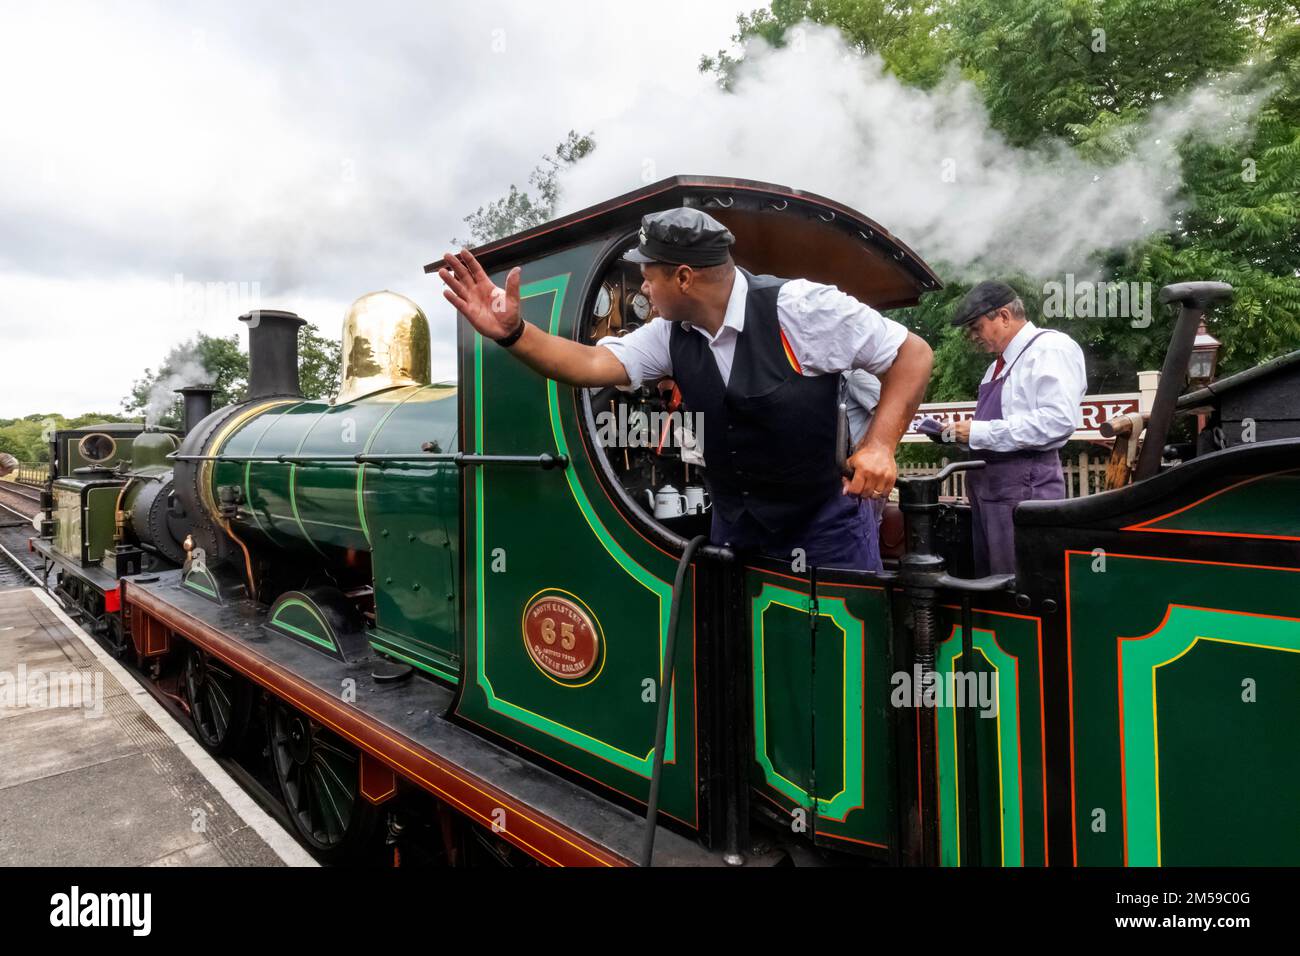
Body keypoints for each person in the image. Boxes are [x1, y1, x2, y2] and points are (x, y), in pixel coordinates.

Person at [437, 207, 932, 572]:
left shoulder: (800, 309)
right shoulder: (669, 336)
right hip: (737, 532)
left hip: (825, 527)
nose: (645, 289)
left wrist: (881, 446)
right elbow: (589, 362)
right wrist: (512, 332)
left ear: (684, 277)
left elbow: (913, 354)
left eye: (648, 277)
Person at [948, 281, 1087, 576]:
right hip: (989, 494)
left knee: (1021, 586)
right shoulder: (995, 367)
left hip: (1024, 494)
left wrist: (977, 432)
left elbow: (1057, 422)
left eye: (976, 326)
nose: (972, 337)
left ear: (1004, 316)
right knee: (991, 585)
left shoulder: (1050, 348)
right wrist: (957, 435)